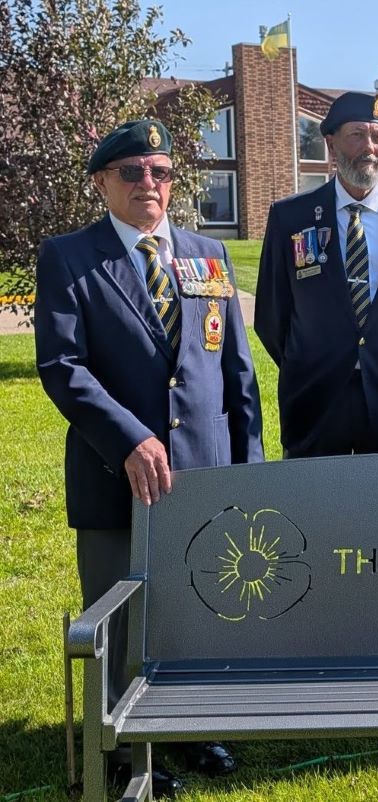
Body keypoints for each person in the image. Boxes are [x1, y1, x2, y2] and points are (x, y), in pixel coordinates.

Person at [35, 120, 264, 796]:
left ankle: (195, 726)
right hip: (116, 473)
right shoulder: (70, 257)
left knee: (199, 605)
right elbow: (61, 365)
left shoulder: (205, 257)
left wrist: (249, 468)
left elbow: (237, 372)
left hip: (204, 468)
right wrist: (128, 436)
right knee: (116, 612)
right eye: (132, 172)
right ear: (102, 181)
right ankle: (122, 742)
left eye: (161, 172)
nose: (149, 185)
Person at [255, 91, 378, 456]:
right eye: (357, 136)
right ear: (331, 145)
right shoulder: (290, 218)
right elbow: (272, 317)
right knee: (315, 511)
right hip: (315, 403)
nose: (370, 147)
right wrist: (316, 358)